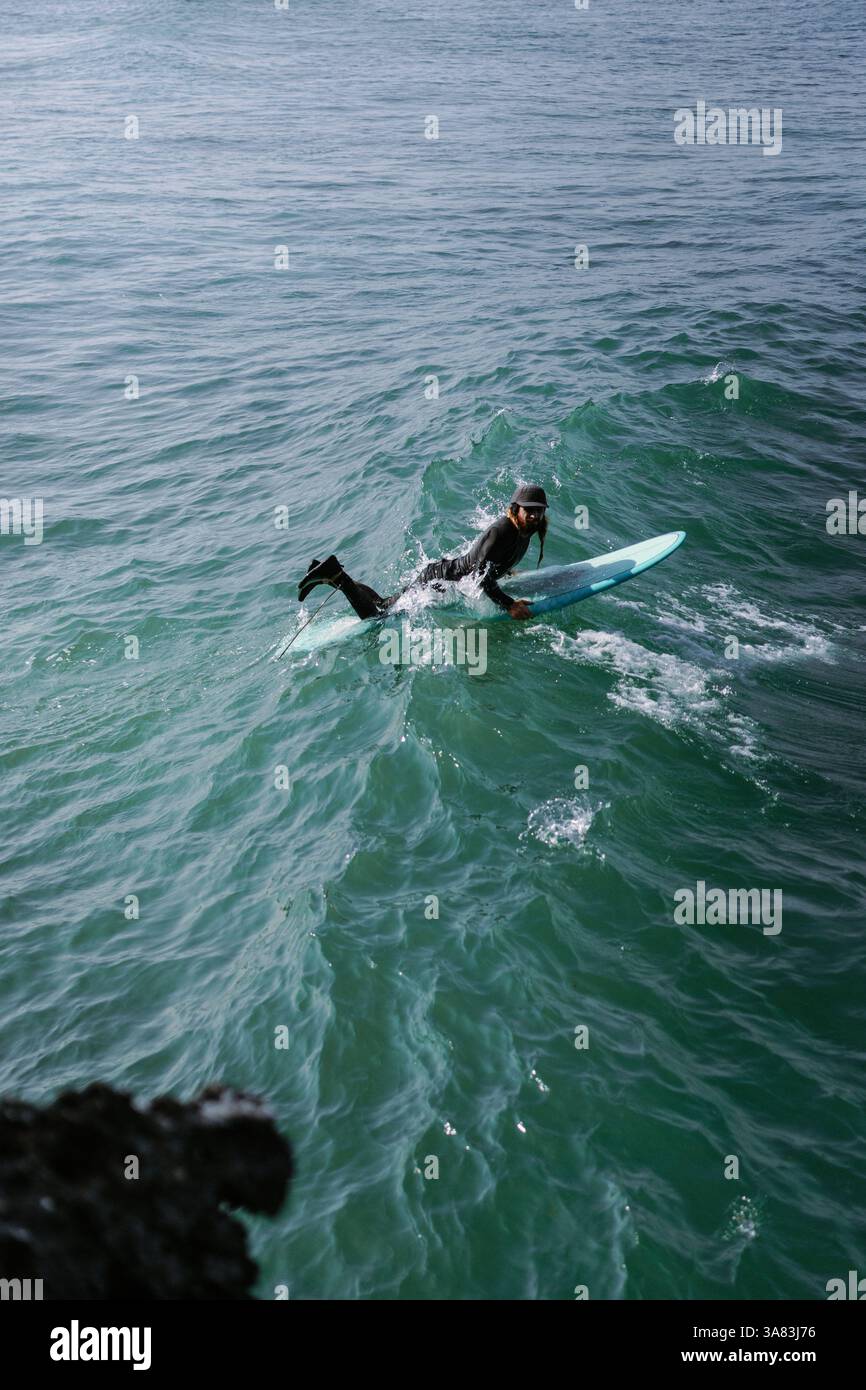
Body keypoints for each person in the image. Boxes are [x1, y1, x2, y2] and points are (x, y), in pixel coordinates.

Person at [298, 484, 549, 621]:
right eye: (530, 510)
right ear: (515, 509)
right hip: (438, 581)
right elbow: (480, 577)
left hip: (444, 577)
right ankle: (337, 577)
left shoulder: (523, 530)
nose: (536, 515)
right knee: (379, 616)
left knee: (384, 603)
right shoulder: (502, 531)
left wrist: (507, 571)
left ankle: (332, 573)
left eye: (539, 510)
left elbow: (489, 564)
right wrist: (509, 605)